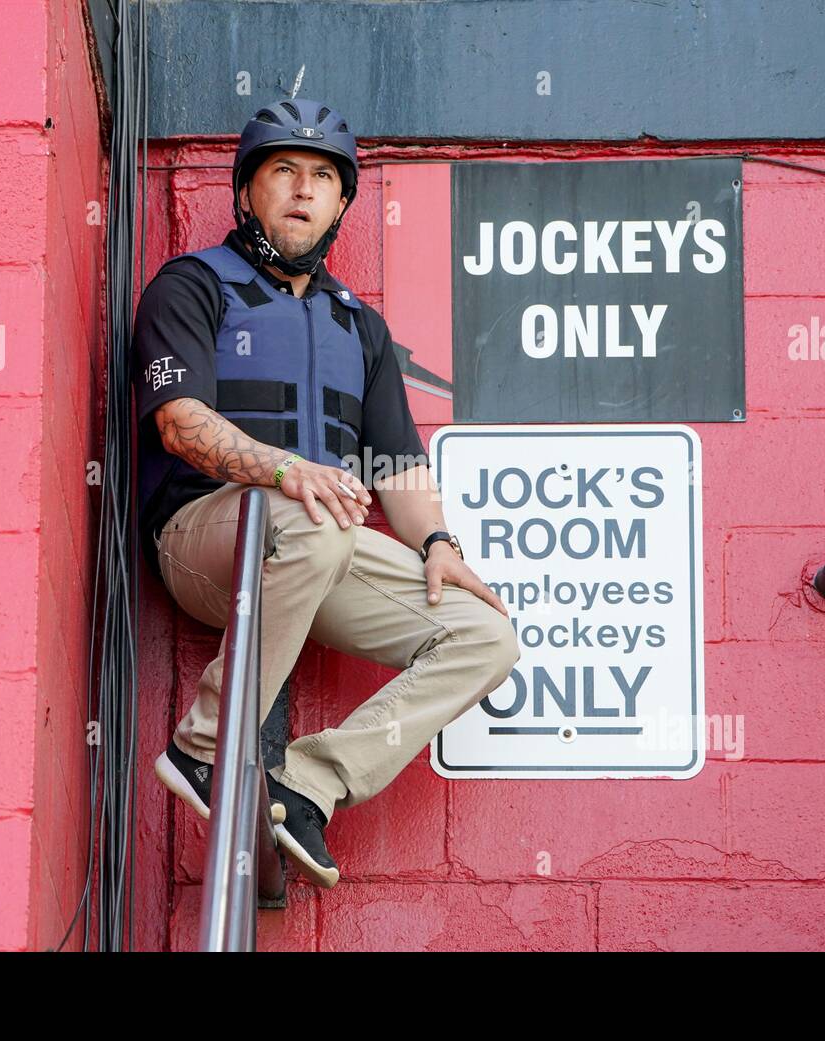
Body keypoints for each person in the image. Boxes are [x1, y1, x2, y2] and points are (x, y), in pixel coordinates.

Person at [131, 98, 521, 888]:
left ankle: (308, 783)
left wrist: (441, 546)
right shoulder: (191, 285)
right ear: (247, 192)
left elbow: (397, 467)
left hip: (318, 541)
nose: (302, 191)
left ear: (342, 203)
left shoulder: (359, 328)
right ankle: (204, 745)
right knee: (314, 518)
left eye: (321, 178)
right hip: (206, 538)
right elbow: (178, 423)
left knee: (487, 634)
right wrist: (284, 469)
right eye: (283, 172)